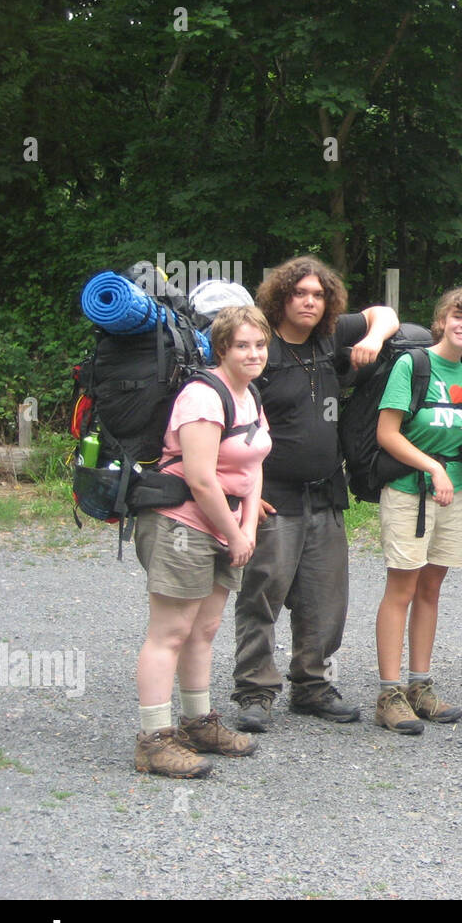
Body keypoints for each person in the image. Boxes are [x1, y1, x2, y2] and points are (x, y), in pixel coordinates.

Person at [231, 255, 399, 731]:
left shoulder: (330, 336)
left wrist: (371, 339)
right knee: (262, 598)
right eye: (299, 293)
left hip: (326, 493)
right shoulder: (260, 348)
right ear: (280, 298)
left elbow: (385, 314)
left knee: (325, 601)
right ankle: (255, 691)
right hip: (271, 496)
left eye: (318, 295)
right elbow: (229, 423)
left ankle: (312, 686)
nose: (309, 301)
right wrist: (243, 494)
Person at [133, 305, 274, 777]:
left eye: (260, 344)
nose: (253, 354)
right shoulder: (202, 396)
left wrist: (247, 527)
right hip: (182, 524)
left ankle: (197, 724)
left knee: (204, 629)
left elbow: (253, 466)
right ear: (221, 349)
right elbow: (199, 477)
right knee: (170, 632)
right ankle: (154, 740)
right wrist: (235, 533)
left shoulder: (250, 394)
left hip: (226, 525)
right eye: (242, 346)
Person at [372, 287, 462, 733]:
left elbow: (459, 424)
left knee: (431, 589)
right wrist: (433, 467)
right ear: (442, 320)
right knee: (402, 588)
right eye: (459, 316)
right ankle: (389, 693)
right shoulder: (413, 364)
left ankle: (419, 685)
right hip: (410, 490)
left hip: (451, 491)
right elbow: (388, 433)